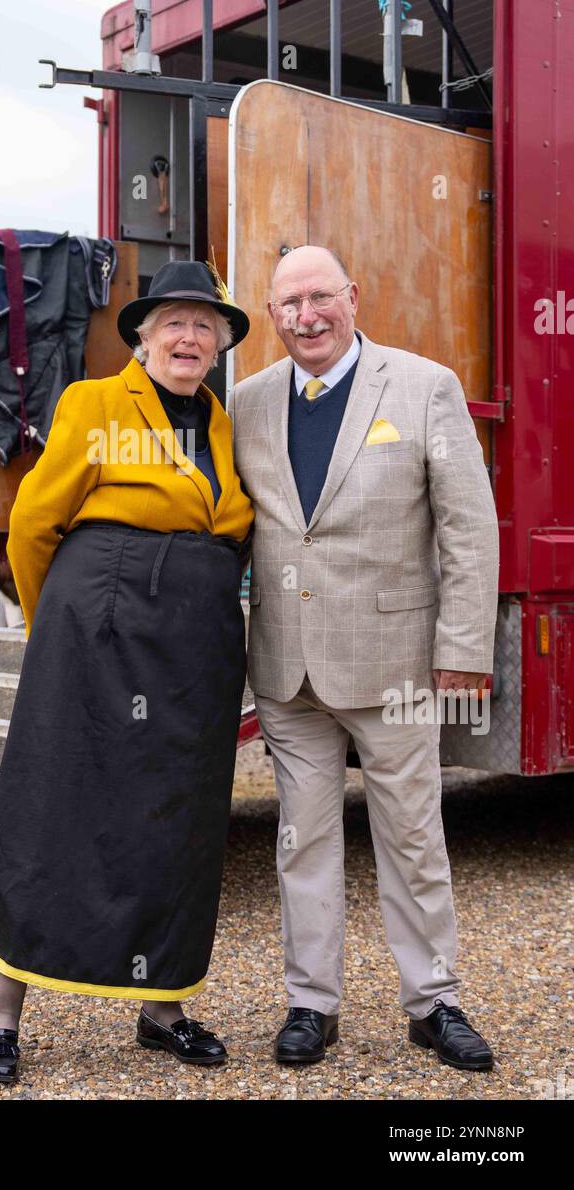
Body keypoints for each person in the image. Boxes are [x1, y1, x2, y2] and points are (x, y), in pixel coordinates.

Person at [0, 259, 254, 1083]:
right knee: (54, 800)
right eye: (174, 322)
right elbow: (32, 522)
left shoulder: (220, 420)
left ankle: (162, 1005)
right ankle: (0, 1006)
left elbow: (230, 525)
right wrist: (51, 622)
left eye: (206, 325)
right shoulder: (92, 402)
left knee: (181, 815)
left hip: (192, 640)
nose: (189, 336)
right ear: (141, 335)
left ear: (222, 342)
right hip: (96, 625)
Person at [229, 244, 500, 1072]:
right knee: (301, 841)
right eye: (289, 304)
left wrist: (463, 650)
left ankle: (434, 1002)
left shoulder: (424, 387)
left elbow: (469, 526)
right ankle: (312, 1003)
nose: (306, 316)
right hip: (288, 670)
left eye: (320, 297)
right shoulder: (245, 401)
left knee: (414, 837)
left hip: (403, 667)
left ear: (353, 295)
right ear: (271, 316)